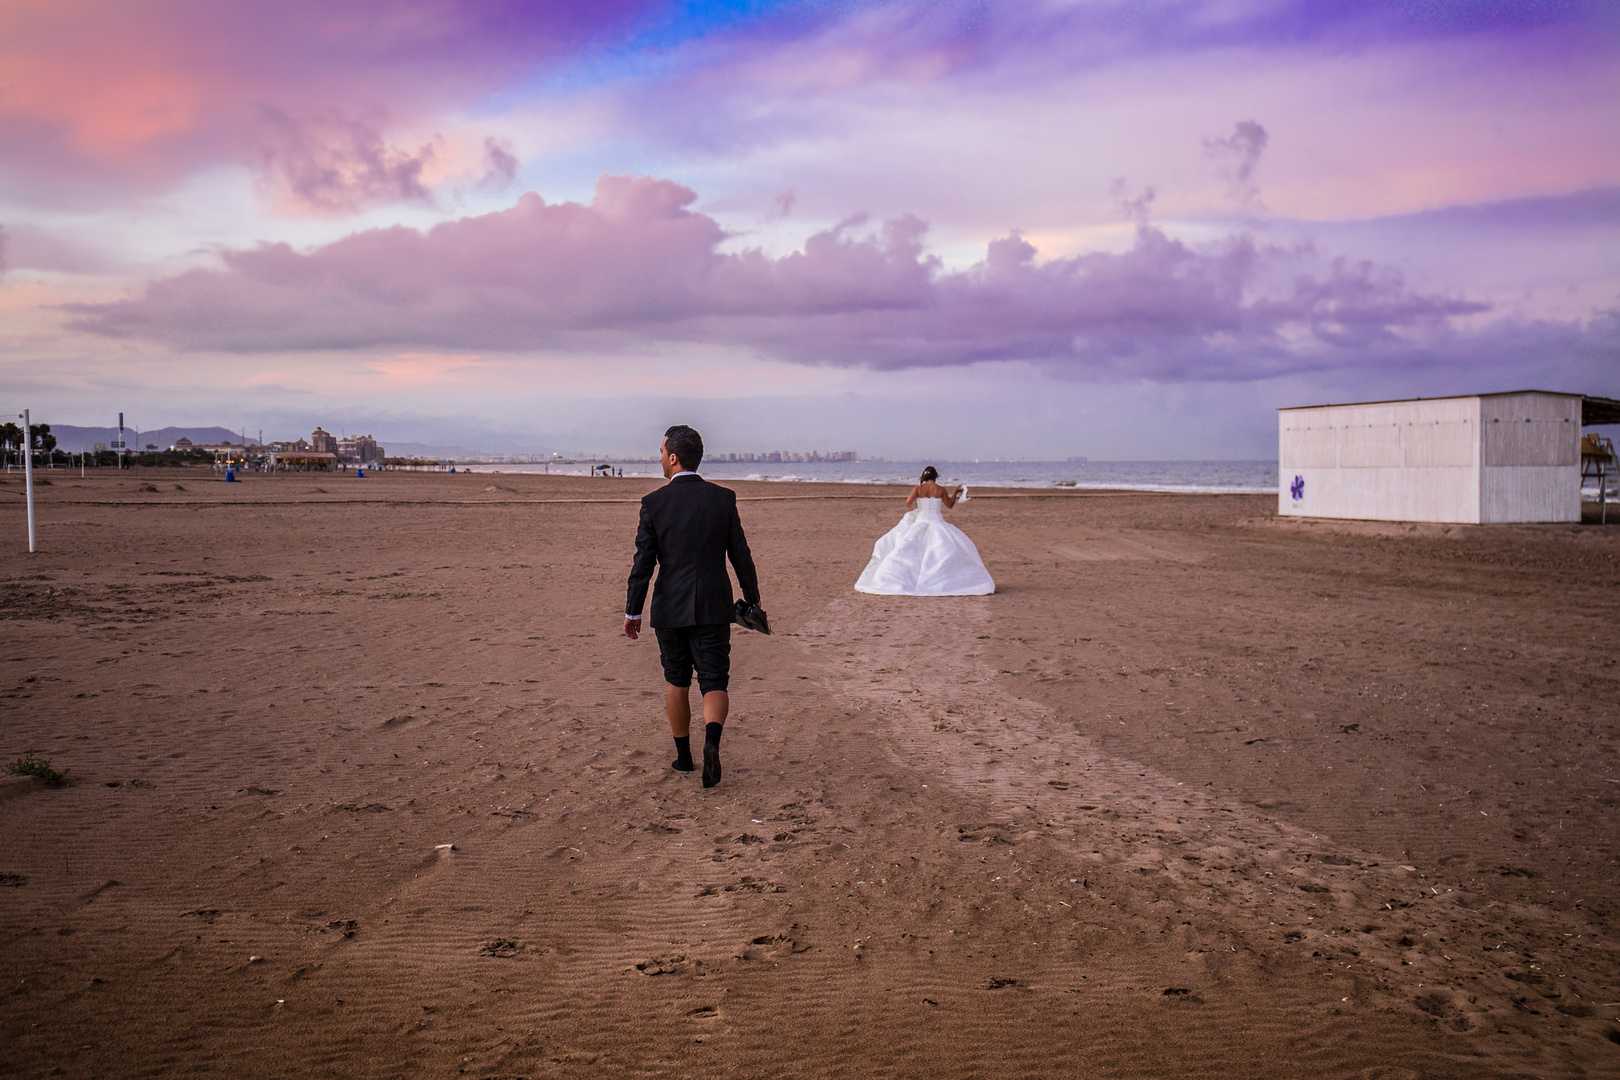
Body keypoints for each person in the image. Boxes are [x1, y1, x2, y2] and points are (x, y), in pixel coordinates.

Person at [624, 425, 762, 788]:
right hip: (714, 604)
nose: (658, 458)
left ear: (673, 457)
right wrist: (752, 597)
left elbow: (643, 563)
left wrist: (632, 611)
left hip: (670, 605)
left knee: (677, 680)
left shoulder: (654, 503)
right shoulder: (723, 498)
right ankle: (712, 743)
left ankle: (684, 758)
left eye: (661, 451)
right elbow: (741, 555)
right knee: (715, 679)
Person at [854, 465, 994, 596]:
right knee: (945, 550)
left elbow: (908, 502)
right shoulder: (940, 490)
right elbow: (950, 505)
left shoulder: (918, 489)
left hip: (920, 522)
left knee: (908, 549)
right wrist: (956, 492)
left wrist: (914, 512)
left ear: (924, 477)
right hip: (937, 522)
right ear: (935, 477)